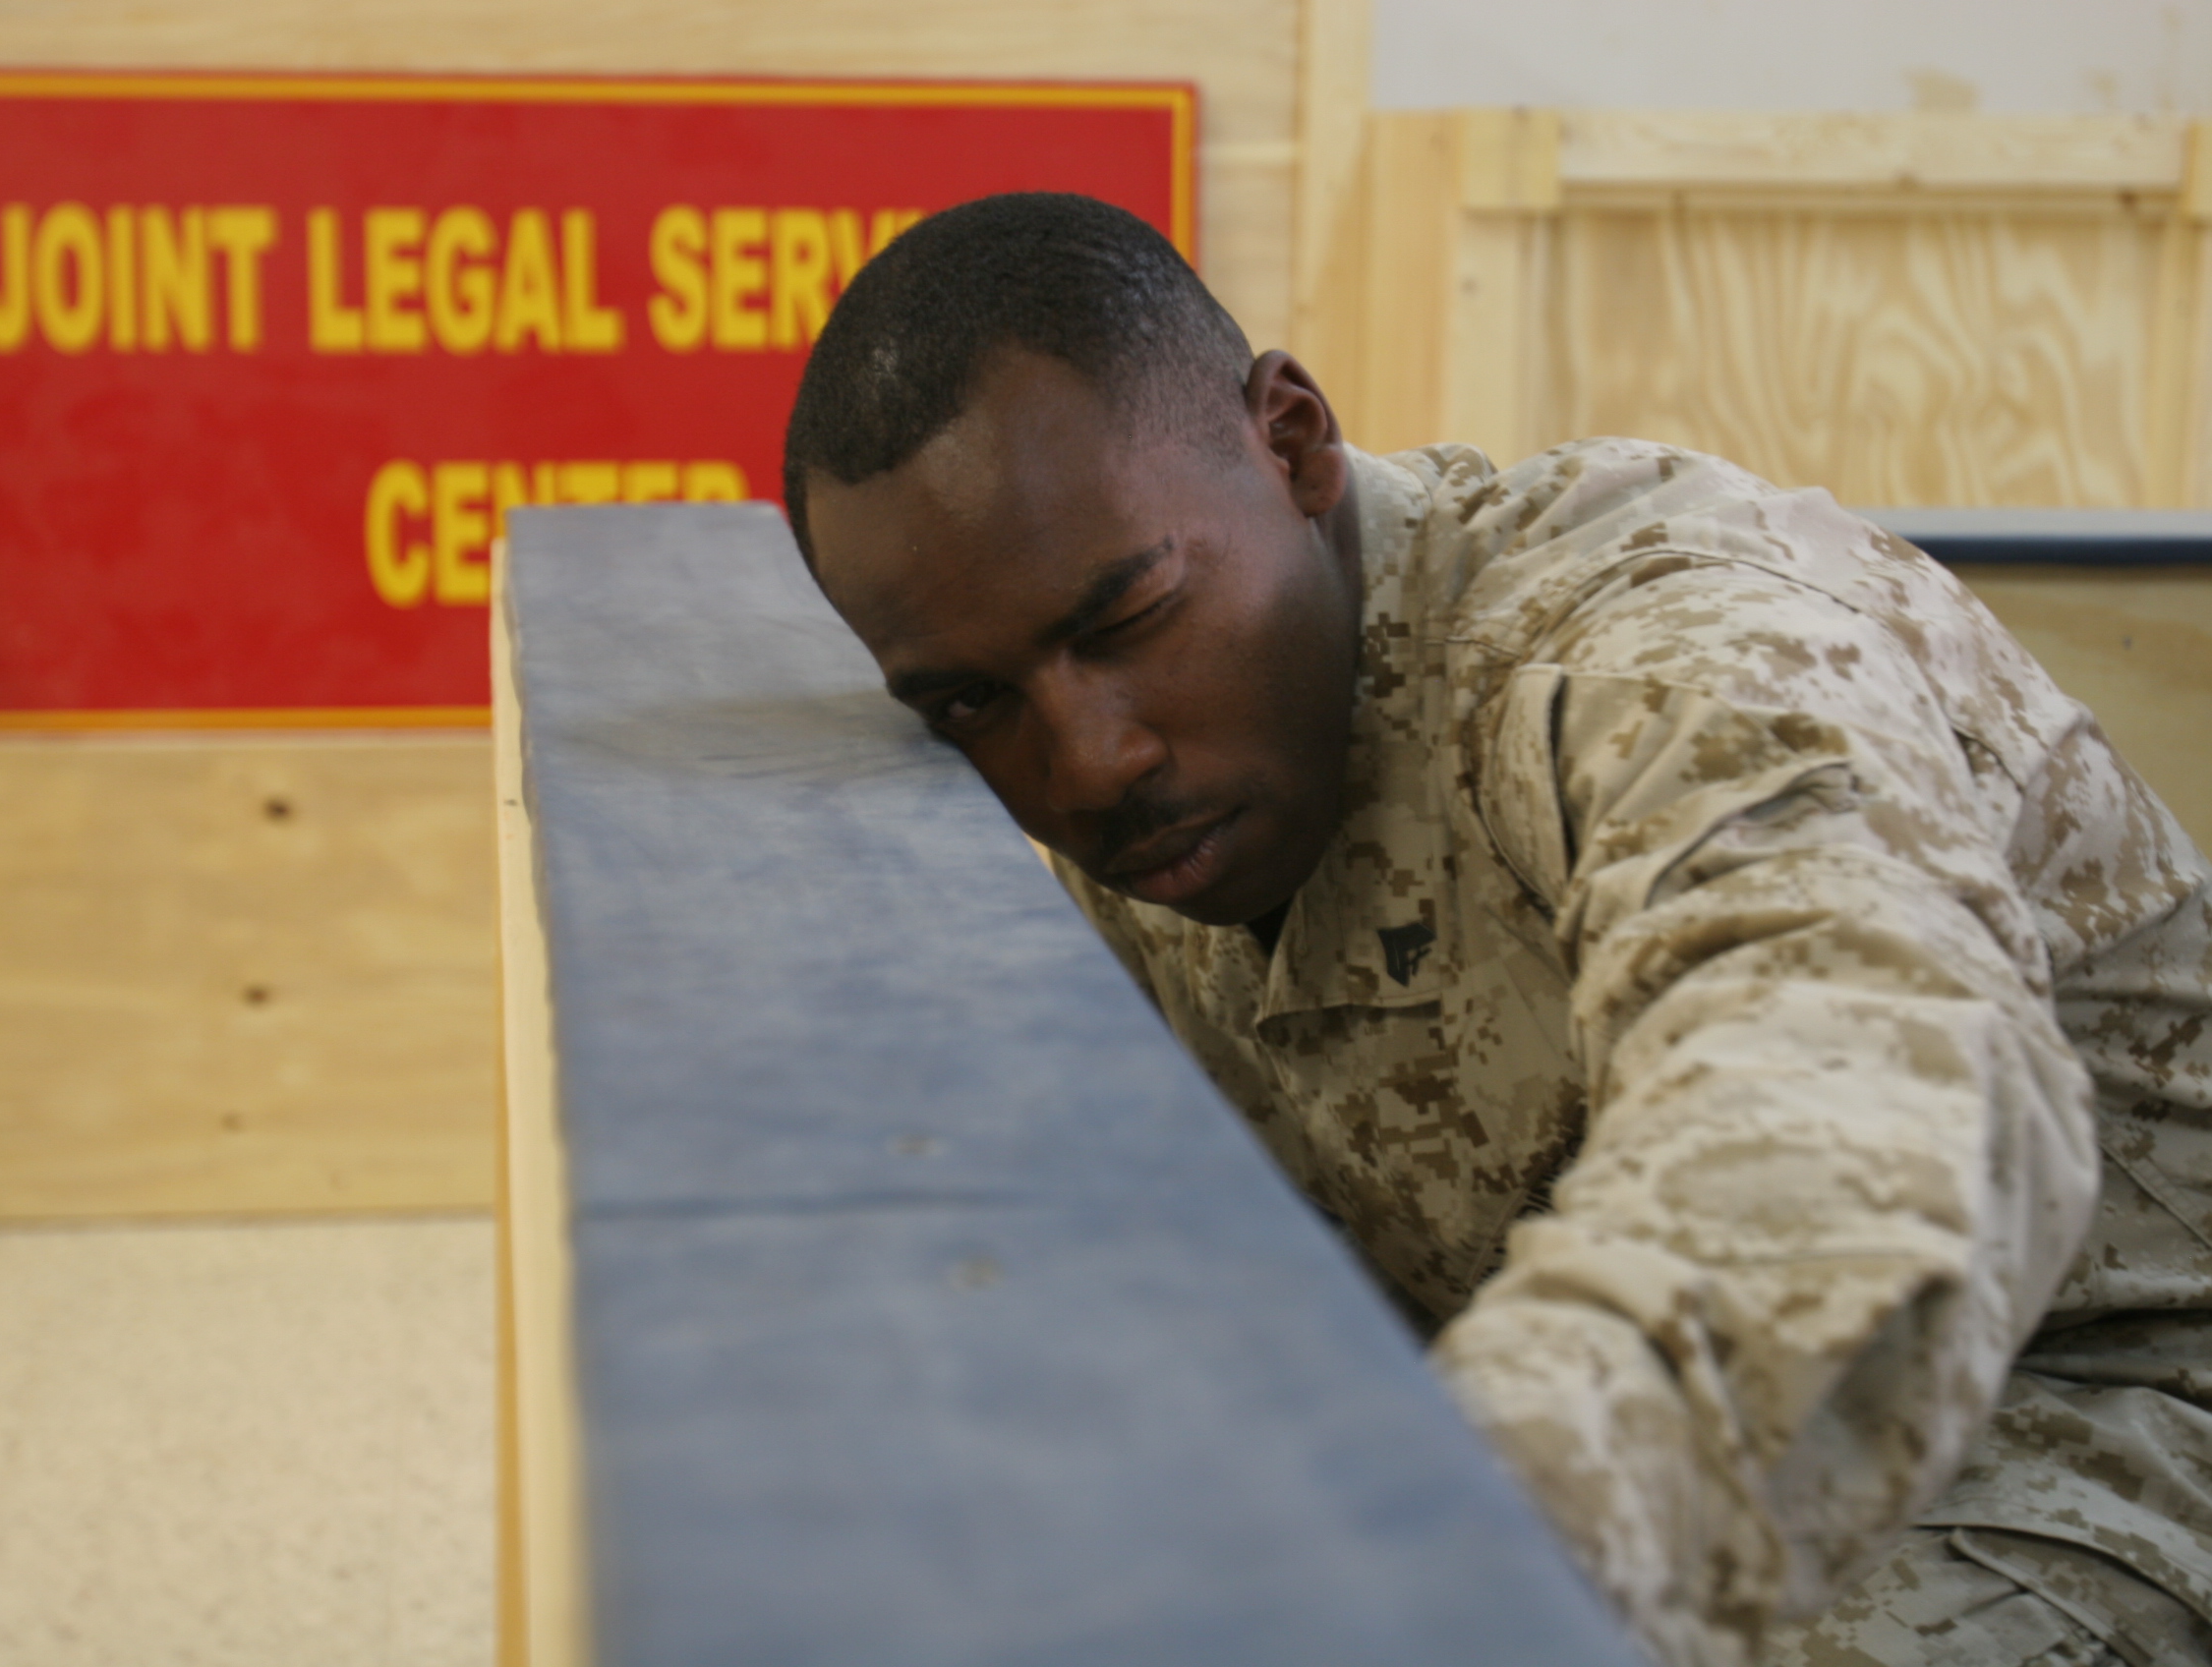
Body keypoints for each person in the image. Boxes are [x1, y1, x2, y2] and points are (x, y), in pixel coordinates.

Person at [780, 193, 2212, 1666]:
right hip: (1672, 1450)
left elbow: (1849, 1131)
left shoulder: (1663, 660)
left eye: (1130, 618)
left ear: (1292, 441)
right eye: (974, 702)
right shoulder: (1189, 752)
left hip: (2105, 1418)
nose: (1087, 761)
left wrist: (1417, 1559)